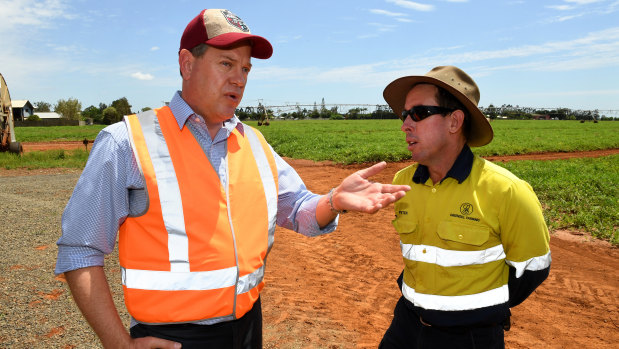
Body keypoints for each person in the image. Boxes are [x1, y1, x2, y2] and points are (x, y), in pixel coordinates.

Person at [55, 8, 410, 349]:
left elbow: (297, 208)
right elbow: (80, 249)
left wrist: (333, 200)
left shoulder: (254, 142)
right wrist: (118, 344)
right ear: (187, 64)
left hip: (248, 329)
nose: (239, 79)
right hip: (173, 338)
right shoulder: (126, 143)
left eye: (245, 68)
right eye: (226, 64)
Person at [378, 66, 551, 349]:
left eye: (418, 113)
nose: (405, 124)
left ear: (454, 121)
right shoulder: (404, 182)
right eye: (404, 115)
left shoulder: (506, 190)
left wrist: (476, 309)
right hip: (405, 326)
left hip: (469, 337)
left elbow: (533, 269)